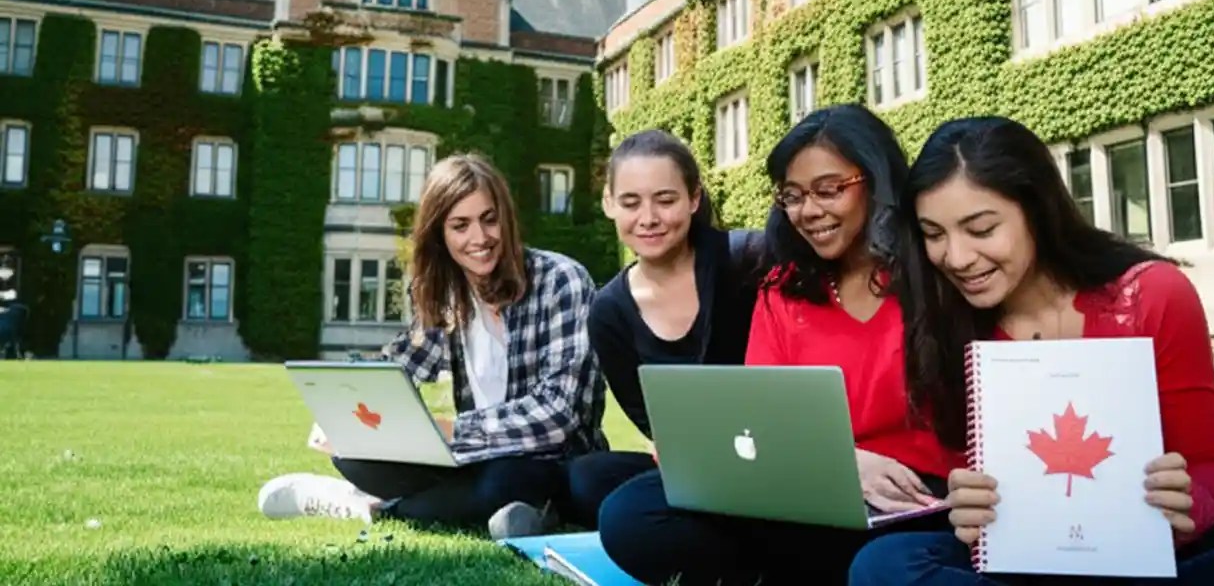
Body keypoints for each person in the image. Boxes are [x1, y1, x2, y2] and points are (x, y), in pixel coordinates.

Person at [848, 116, 1214, 584]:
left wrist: (1191, 501)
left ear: (1038, 211)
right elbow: (984, 490)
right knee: (883, 563)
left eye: (981, 228)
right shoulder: (947, 322)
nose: (956, 257)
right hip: (1027, 559)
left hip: (1156, 550)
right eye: (934, 234)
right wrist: (968, 505)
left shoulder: (1153, 295)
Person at [598, 106, 964, 586]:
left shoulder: (935, 276)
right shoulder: (783, 289)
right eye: (792, 196)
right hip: (810, 490)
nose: (809, 211)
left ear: (875, 181)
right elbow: (764, 421)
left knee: (884, 562)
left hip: (917, 500)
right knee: (630, 513)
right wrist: (844, 463)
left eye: (829, 190)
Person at [257, 153, 608, 540]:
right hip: (472, 457)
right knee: (352, 454)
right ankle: (503, 513)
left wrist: (448, 430)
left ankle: (372, 507)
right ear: (439, 233)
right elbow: (401, 364)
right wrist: (342, 411)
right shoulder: (448, 293)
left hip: (549, 461)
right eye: (460, 225)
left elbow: (558, 415)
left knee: (503, 482)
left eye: (489, 219)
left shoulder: (562, 281)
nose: (480, 238)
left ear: (506, 218)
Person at [564, 129, 766, 528]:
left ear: (694, 198)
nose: (648, 218)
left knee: (629, 512)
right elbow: (654, 425)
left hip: (772, 446)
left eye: (665, 199)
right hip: (697, 464)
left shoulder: (745, 259)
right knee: (588, 477)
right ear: (609, 204)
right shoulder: (609, 311)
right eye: (630, 202)